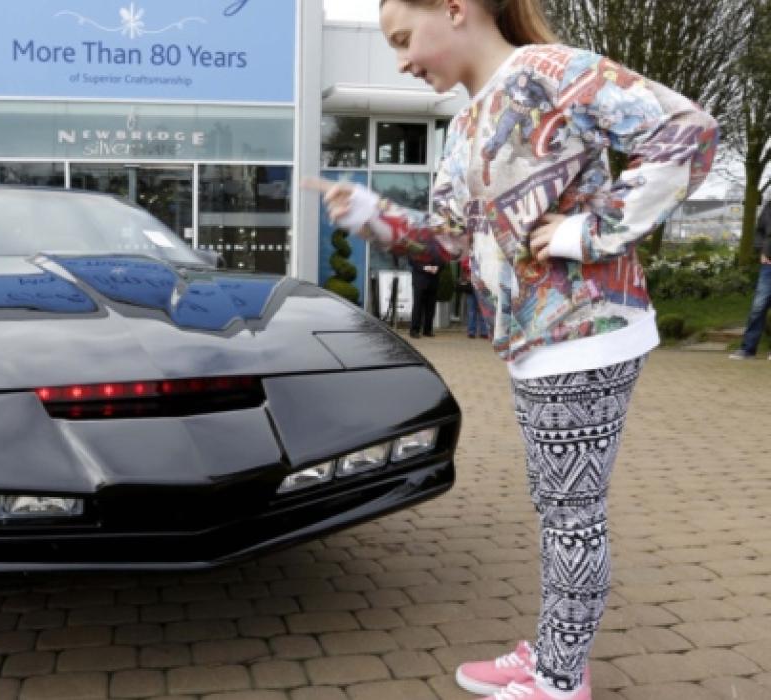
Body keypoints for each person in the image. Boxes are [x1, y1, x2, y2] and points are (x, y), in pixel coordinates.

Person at [306, 1, 718, 698]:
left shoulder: (548, 71)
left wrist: (589, 233)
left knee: (572, 516)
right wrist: (373, 215)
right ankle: (555, 656)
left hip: (585, 331)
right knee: (560, 511)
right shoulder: (464, 123)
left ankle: (559, 680)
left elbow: (688, 131)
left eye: (404, 39)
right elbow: (450, 239)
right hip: (535, 340)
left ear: (454, 9)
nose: (401, 61)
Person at [729, 200, 771, 360]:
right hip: (768, 264)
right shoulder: (769, 206)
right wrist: (762, 250)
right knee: (758, 307)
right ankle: (748, 349)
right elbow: (760, 230)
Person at [409, 257, 441, 338]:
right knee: (418, 306)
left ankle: (428, 330)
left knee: (431, 307)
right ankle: (414, 330)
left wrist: (438, 267)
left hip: (433, 281)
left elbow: (443, 260)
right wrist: (425, 267)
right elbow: (412, 261)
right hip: (420, 281)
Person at [461, 256, 490, 338]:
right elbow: (464, 267)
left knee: (478, 310)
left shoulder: (477, 257)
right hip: (473, 286)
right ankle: (476, 331)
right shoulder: (471, 257)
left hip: (479, 285)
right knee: (475, 309)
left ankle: (478, 331)